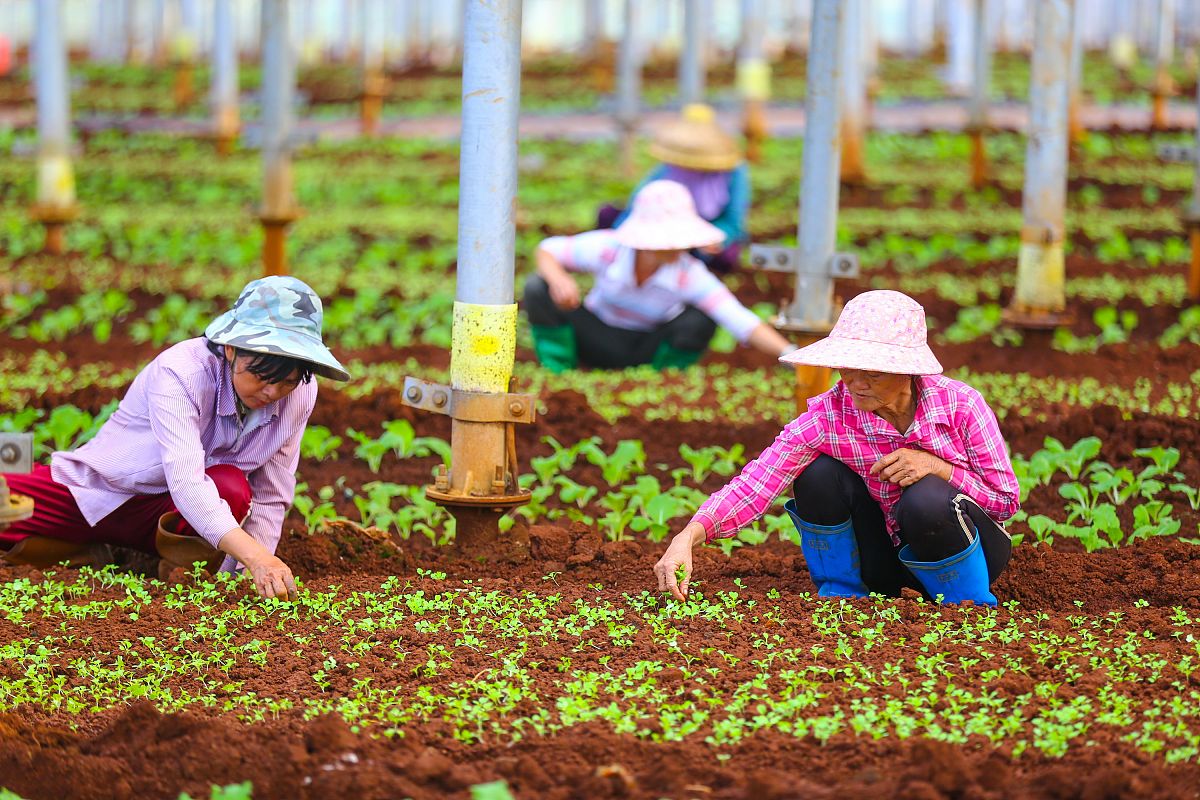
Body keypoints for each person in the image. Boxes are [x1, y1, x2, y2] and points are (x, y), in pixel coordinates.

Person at [652, 290, 1019, 606]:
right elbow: (756, 484)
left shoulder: (961, 406)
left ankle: (967, 605)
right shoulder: (830, 415)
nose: (855, 383)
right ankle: (843, 594)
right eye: (847, 368)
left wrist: (938, 468)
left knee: (925, 497)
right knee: (817, 474)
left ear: (907, 370)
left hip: (973, 551)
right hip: (888, 557)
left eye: (872, 372)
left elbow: (1005, 500)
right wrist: (689, 535)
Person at [0, 276, 350, 601]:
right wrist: (255, 555)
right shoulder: (181, 372)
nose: (273, 391)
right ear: (230, 349)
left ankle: (170, 565)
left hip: (169, 520)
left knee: (229, 487)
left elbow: (272, 493)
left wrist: (242, 576)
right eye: (260, 374)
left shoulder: (299, 393)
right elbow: (186, 480)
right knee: (6, 504)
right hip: (98, 492)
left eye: (287, 380)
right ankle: (97, 552)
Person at [526, 179, 794, 373]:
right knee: (538, 287)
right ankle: (559, 368)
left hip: (648, 346)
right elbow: (547, 251)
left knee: (700, 318)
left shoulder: (689, 274)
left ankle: (665, 376)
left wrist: (789, 353)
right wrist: (559, 278)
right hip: (595, 335)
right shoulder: (609, 250)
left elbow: (739, 319)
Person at [599, 104, 748, 275]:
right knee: (608, 215)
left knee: (726, 258)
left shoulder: (733, 172)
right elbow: (638, 203)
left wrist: (713, 239)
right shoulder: (670, 168)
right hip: (666, 231)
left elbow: (733, 221)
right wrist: (623, 238)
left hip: (704, 236)